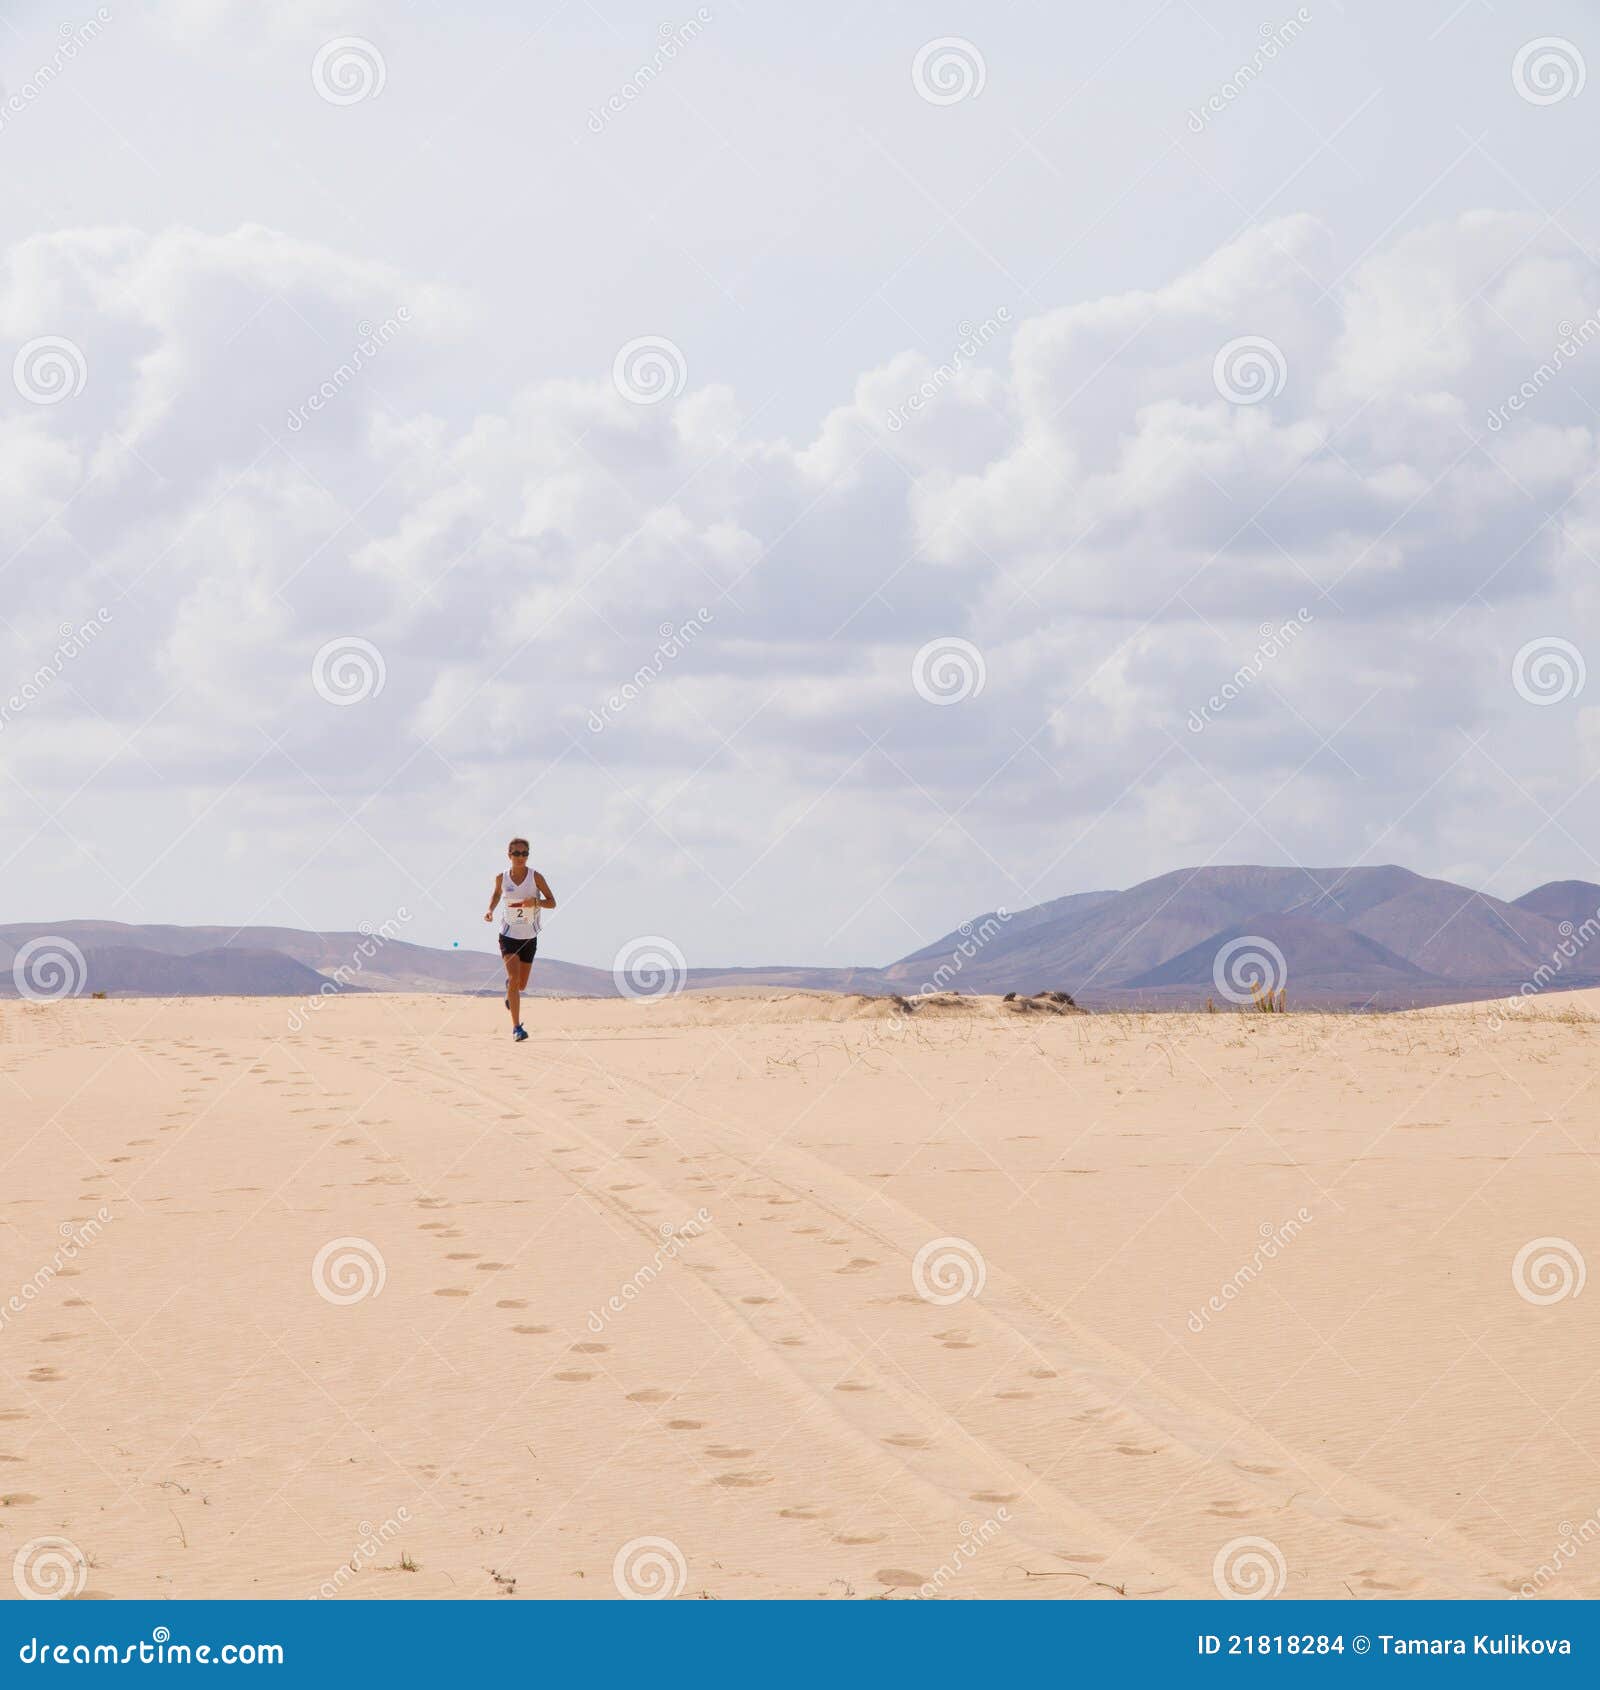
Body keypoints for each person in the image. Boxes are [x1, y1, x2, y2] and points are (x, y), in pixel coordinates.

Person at [484, 838, 556, 1041]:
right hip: (508, 936)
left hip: (529, 937)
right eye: (517, 854)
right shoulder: (502, 878)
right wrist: (490, 910)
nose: (521, 857)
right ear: (509, 855)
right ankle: (516, 1028)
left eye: (525, 853)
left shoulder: (536, 877)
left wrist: (536, 902)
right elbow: (497, 894)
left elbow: (553, 902)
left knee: (521, 985)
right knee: (515, 979)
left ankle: (511, 988)